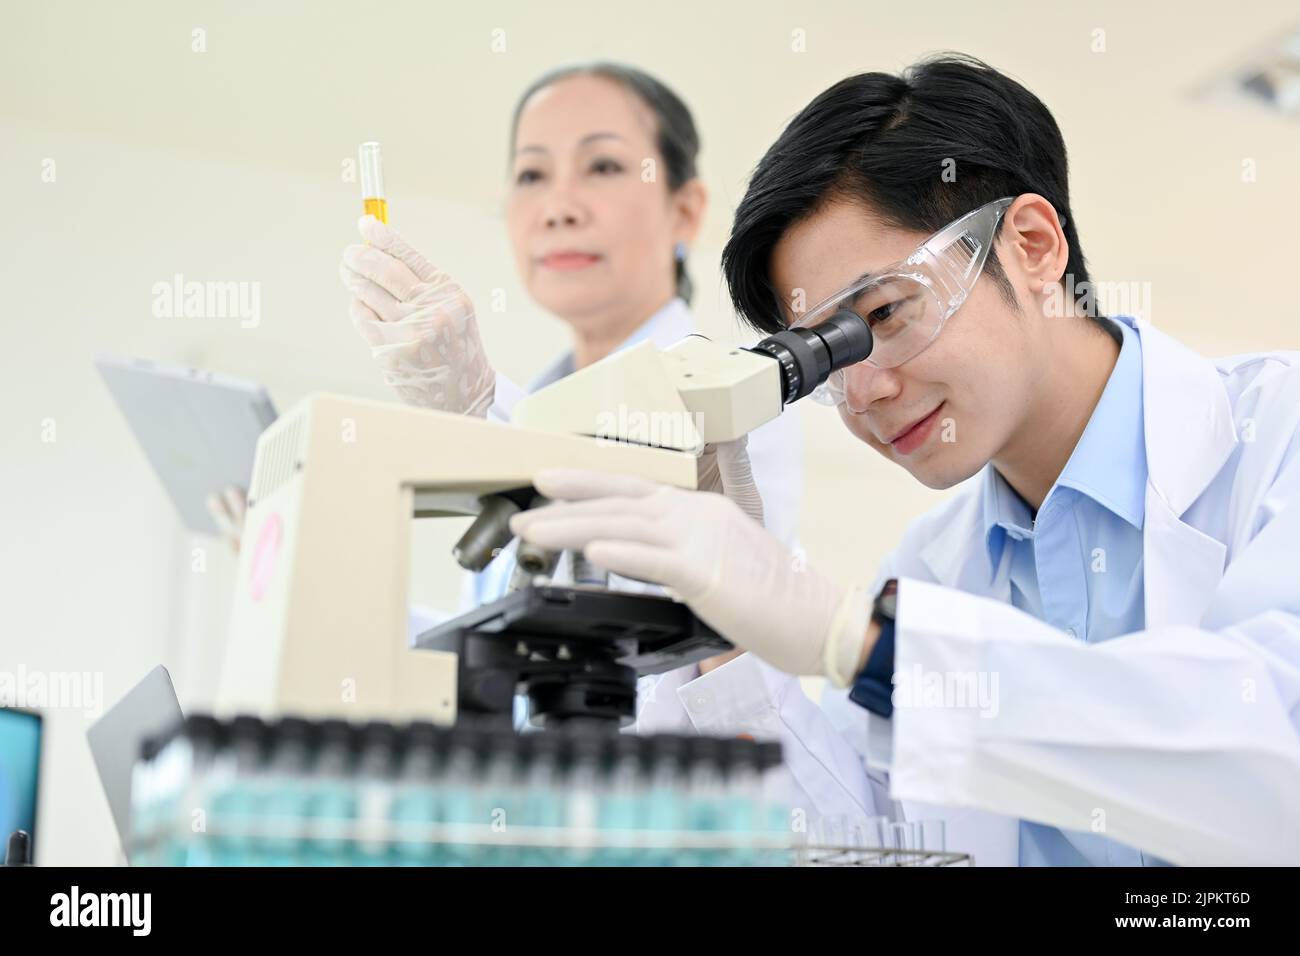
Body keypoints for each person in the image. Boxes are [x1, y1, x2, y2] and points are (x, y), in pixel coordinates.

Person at [507, 54, 1300, 866]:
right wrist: (729, 632)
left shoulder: (1280, 438)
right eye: (824, 359)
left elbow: (1268, 766)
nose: (864, 392)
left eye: (885, 311)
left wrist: (864, 643)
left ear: (1031, 245)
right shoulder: (929, 567)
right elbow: (862, 847)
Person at [335, 63, 882, 825]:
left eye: (602, 165)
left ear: (686, 209)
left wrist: (483, 409)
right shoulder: (538, 394)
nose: (559, 206)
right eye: (532, 175)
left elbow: (649, 662)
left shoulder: (735, 398)